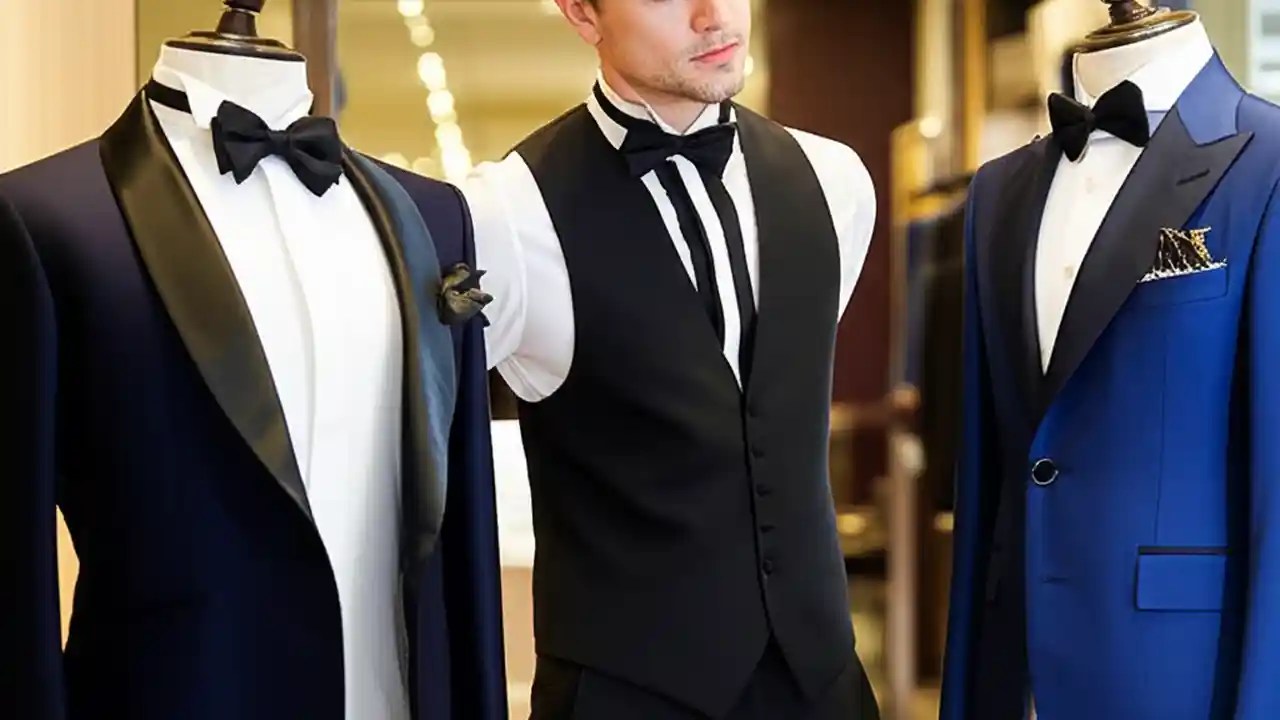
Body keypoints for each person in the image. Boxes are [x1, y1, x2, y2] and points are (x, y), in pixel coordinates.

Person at [459, 1, 880, 718]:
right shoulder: (503, 215)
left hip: (824, 687)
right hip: (622, 694)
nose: (714, 15)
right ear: (581, 14)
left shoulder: (836, 182)